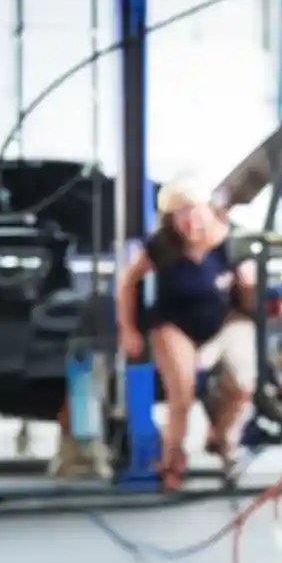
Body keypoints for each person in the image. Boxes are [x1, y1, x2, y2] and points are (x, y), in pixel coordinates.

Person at [116, 176, 257, 491]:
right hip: (175, 322)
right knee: (181, 392)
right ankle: (172, 462)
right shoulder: (162, 245)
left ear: (207, 209)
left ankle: (221, 437)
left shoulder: (231, 240)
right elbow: (128, 281)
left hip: (224, 320)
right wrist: (128, 329)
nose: (188, 221)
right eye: (178, 215)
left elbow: (250, 295)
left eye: (192, 211)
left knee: (244, 384)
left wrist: (249, 285)